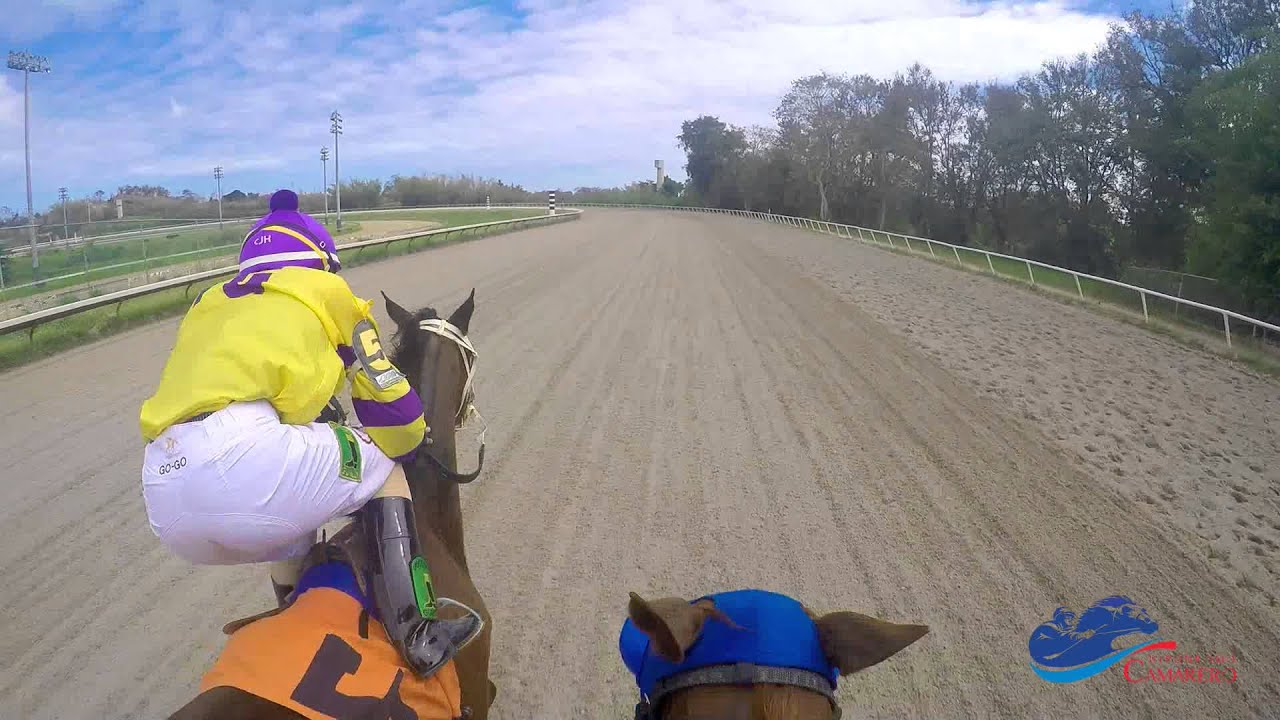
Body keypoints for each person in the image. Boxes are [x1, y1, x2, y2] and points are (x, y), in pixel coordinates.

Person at [138, 189, 479, 679]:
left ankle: (289, 612)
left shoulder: (210, 304)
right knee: (384, 466)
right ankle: (417, 633)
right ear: (321, 262)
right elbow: (399, 419)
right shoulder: (333, 297)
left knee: (294, 501)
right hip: (243, 461)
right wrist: (402, 442)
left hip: (164, 492)